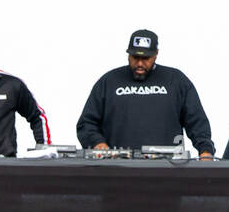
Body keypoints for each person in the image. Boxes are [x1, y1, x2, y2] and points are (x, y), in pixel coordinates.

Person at [76, 30, 216, 158]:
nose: (140, 63)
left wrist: (206, 150)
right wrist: (98, 144)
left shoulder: (176, 80)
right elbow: (86, 123)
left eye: (146, 58)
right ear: (128, 55)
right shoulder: (109, 81)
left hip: (168, 168)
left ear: (156, 54)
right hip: (117, 168)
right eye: (135, 57)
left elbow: (197, 121)